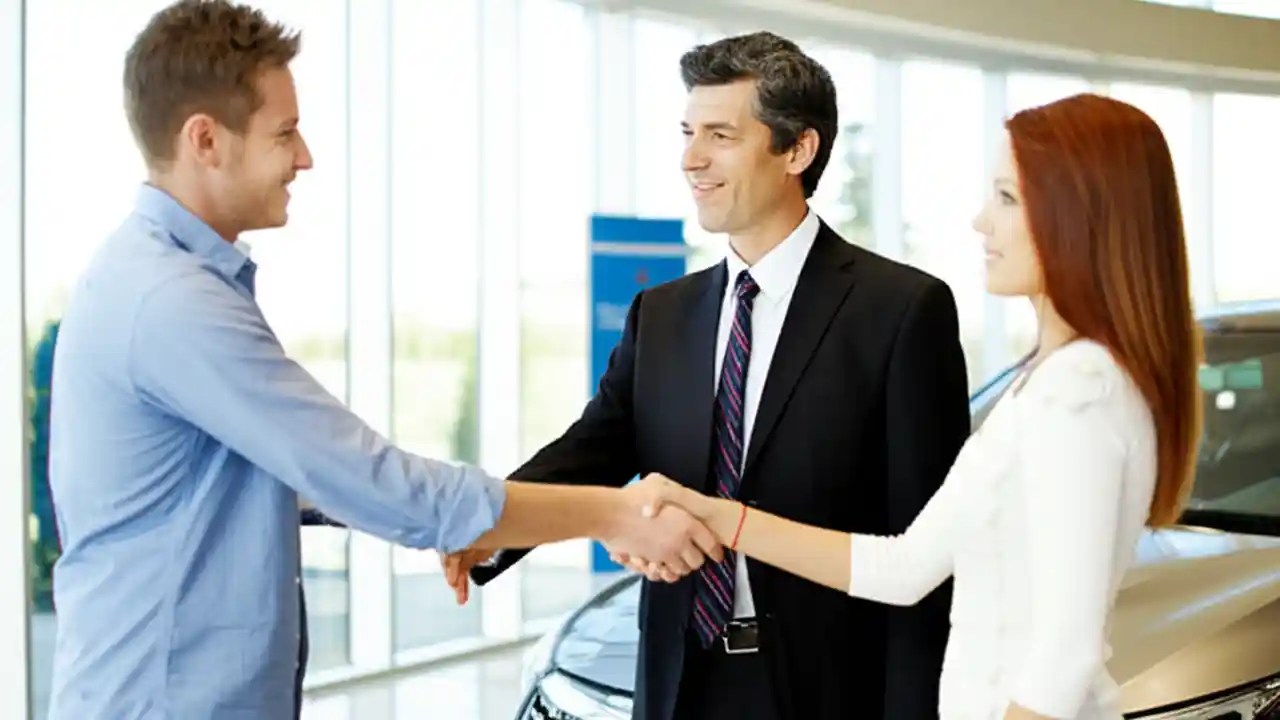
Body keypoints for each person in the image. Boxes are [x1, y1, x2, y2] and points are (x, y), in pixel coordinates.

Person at [45, 2, 716, 718]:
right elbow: (368, 478)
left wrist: (477, 521)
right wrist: (614, 514)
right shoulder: (171, 301)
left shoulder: (160, 279)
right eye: (284, 132)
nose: (304, 156)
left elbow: (285, 479)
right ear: (205, 140)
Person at [628, 92, 1202, 720]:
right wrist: (718, 517)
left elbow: (1064, 658)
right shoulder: (1046, 382)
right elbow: (902, 566)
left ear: (1083, 219)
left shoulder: (1080, 391)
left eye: (1008, 199)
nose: (981, 221)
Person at [452, 31, 971, 720]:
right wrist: (492, 526)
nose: (691, 159)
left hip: (829, 691)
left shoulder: (902, 311)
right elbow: (591, 452)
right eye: (688, 132)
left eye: (720, 135)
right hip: (678, 680)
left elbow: (927, 556)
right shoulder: (662, 314)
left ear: (798, 150)